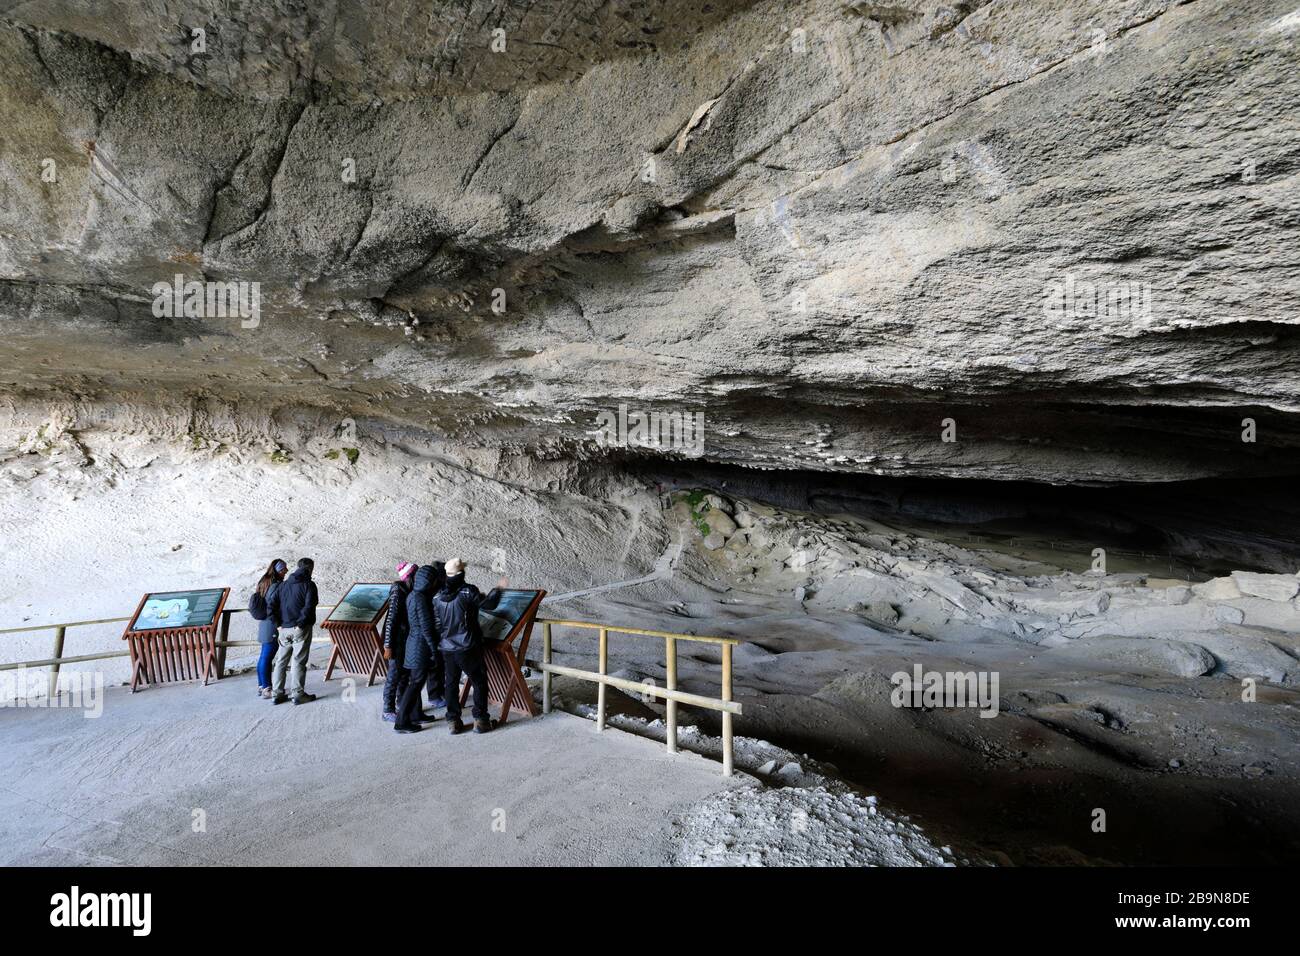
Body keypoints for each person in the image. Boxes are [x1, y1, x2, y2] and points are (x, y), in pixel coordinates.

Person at [432, 558, 505, 735]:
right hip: (468, 646)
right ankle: (480, 721)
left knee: (450, 683)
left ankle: (453, 722)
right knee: (479, 681)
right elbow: (489, 604)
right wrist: (499, 589)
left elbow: (437, 623)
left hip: (447, 648)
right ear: (462, 573)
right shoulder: (467, 591)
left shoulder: (437, 596)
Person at [394, 564, 443, 733]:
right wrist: (434, 649)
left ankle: (415, 715)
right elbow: (426, 627)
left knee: (416, 681)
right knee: (415, 683)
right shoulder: (420, 598)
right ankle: (401, 722)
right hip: (420, 646)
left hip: (413, 642)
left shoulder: (413, 595)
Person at [268, 557, 319, 705]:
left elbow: (271, 606)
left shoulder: (282, 585)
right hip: (300, 629)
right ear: (310, 568)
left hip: (284, 629)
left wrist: (278, 625)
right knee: (298, 661)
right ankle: (297, 694)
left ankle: (277, 694)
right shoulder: (309, 585)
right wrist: (301, 624)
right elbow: (309, 607)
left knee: (280, 662)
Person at [381, 562, 417, 722]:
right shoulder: (398, 590)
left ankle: (401, 703)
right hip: (396, 640)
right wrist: (388, 645)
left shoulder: (409, 591)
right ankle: (387, 709)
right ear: (410, 576)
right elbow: (391, 620)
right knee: (394, 675)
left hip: (405, 639)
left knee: (404, 674)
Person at [248, 559, 287, 699]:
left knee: (264, 656)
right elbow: (273, 605)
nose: (286, 571)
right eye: (283, 569)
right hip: (271, 624)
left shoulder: (264, 582)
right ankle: (267, 688)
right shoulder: (275, 585)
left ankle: (261, 686)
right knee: (267, 656)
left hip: (264, 624)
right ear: (277, 570)